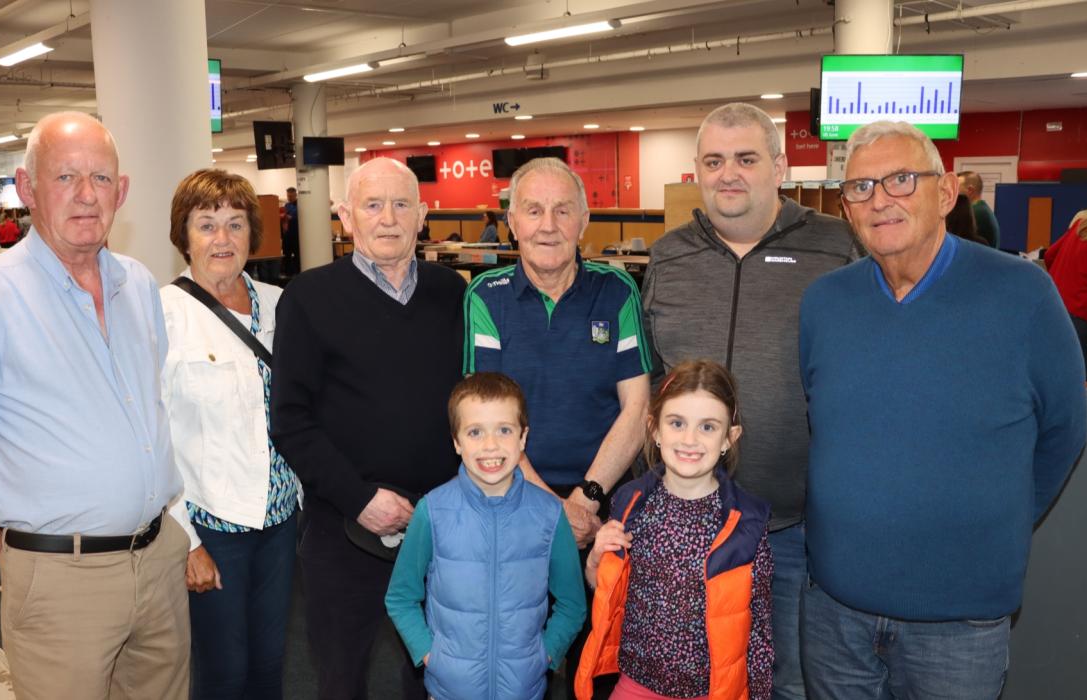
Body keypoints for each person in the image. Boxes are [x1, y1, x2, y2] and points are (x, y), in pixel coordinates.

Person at [799, 120, 1087, 698]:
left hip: (960, 621)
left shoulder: (1022, 293)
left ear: (946, 194)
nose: (880, 200)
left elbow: (1064, 430)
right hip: (835, 611)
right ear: (847, 209)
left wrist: (997, 519)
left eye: (901, 179)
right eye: (860, 188)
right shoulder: (824, 302)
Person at [0, 111, 190, 699]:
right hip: (60, 578)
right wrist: (16, 558)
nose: (87, 195)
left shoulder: (139, 286)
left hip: (158, 558)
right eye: (65, 178)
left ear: (124, 190)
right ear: (27, 188)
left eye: (101, 178)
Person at [641, 101, 857, 700]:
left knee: (783, 680)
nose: (728, 173)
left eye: (745, 158)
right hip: (686, 519)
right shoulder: (669, 256)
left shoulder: (837, 249)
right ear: (697, 171)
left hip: (794, 526)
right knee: (683, 675)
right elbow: (651, 381)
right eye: (714, 160)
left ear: (779, 165)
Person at [270, 156, 466, 700]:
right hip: (343, 528)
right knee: (341, 676)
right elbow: (290, 421)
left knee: (436, 675)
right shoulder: (308, 299)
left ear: (422, 215)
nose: (388, 218)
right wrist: (359, 498)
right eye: (372, 205)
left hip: (439, 524)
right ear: (345, 216)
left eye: (402, 204)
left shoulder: (453, 294)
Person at [160, 169, 303, 699]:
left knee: (270, 663)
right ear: (184, 235)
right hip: (213, 523)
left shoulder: (283, 303)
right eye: (206, 225)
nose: (222, 239)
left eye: (235, 224)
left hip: (282, 517)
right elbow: (154, 437)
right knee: (224, 671)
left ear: (252, 234)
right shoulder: (163, 313)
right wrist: (188, 542)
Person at [464, 157, 651, 546]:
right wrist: (554, 509)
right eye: (534, 211)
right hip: (511, 495)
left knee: (603, 608)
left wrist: (586, 500)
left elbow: (636, 411)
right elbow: (484, 418)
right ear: (513, 223)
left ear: (583, 221)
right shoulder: (484, 295)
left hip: (606, 503)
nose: (548, 226)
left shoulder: (617, 291)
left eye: (562, 211)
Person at [576, 359, 773, 700]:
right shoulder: (629, 503)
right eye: (677, 423)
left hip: (709, 692)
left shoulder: (746, 525)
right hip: (635, 685)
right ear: (654, 429)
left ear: (730, 438)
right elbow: (608, 592)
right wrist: (595, 562)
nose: (689, 439)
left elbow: (758, 632)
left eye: (708, 427)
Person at [385, 372, 587, 700]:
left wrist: (545, 657)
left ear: (523, 438)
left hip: (525, 690)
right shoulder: (433, 511)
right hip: (449, 690)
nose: (490, 445)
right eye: (475, 432)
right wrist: (429, 655)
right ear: (456, 441)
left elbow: (572, 604)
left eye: (504, 430)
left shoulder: (549, 514)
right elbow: (400, 597)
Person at [1045, 214, 1087, 380]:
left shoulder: (1080, 225)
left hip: (1054, 309)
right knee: (1080, 384)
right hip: (1083, 317)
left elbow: (1049, 255)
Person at [957, 170, 1000, 248]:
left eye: (957, 188)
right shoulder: (982, 208)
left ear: (970, 190)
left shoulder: (975, 213)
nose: (954, 192)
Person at [281, 186, 300, 275]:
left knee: (297, 257)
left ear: (295, 195)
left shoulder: (301, 205)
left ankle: (298, 274)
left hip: (296, 235)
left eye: (291, 196)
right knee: (286, 256)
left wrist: (288, 217)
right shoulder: (286, 205)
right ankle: (287, 274)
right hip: (287, 235)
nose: (289, 198)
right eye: (288, 196)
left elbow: (297, 217)